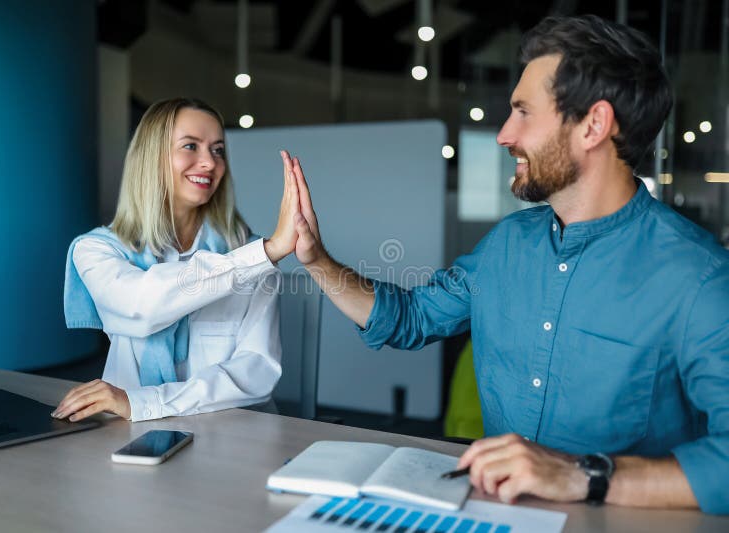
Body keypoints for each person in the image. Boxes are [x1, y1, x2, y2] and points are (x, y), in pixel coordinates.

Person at [288, 16, 729, 513]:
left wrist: (583, 476)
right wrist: (315, 258)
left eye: (523, 112)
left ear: (594, 125)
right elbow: (408, 317)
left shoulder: (699, 278)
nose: (503, 134)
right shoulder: (506, 245)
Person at [54, 97, 301, 422]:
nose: (210, 163)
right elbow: (144, 305)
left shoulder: (251, 254)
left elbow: (256, 373)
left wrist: (144, 402)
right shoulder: (96, 251)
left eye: (217, 150)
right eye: (190, 146)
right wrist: (264, 254)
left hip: (234, 435)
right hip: (128, 430)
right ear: (152, 158)